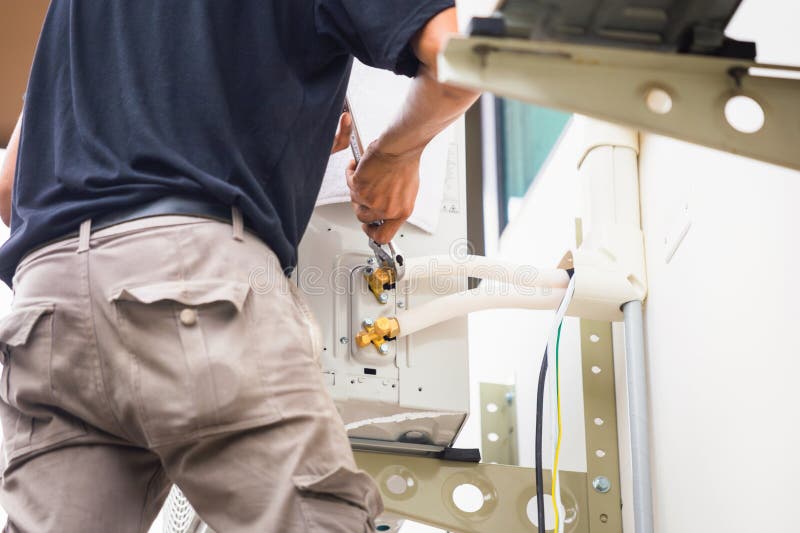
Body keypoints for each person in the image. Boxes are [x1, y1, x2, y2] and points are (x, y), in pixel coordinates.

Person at [0, 1, 479, 532]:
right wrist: (395, 157)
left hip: (45, 308)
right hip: (190, 278)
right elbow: (460, 57)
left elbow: (10, 188)